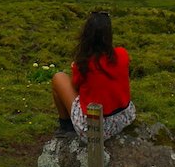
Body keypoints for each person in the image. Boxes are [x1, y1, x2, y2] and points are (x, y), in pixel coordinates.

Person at [51, 10, 136, 140]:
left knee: (59, 78)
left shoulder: (84, 63)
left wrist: (75, 68)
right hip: (123, 118)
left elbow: (75, 87)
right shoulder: (122, 54)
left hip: (95, 128)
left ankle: (66, 127)